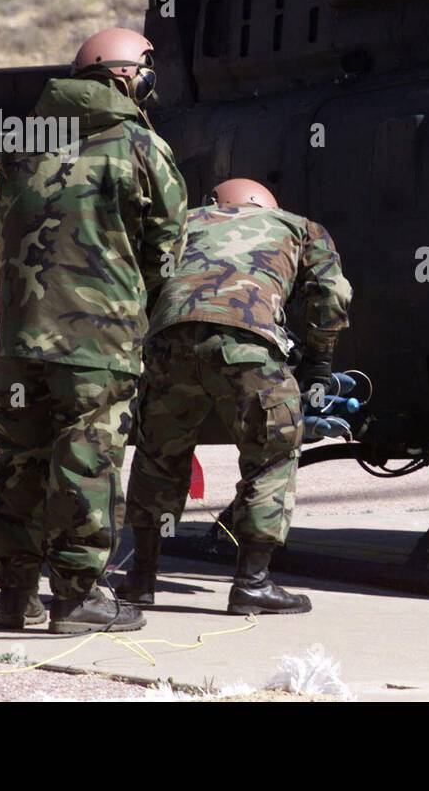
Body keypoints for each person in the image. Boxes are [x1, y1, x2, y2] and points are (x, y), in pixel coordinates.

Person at [0, 27, 187, 634]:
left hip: (21, 340)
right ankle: (77, 598)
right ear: (129, 77)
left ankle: (16, 595)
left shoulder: (23, 143)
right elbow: (165, 252)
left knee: (20, 459)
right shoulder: (141, 145)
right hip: (97, 342)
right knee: (87, 460)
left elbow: (5, 232)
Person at [120, 178, 351, 615]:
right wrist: (319, 360)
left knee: (158, 455)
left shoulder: (182, 222)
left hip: (169, 342)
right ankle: (253, 583)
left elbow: (142, 279)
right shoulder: (299, 227)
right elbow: (332, 293)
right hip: (248, 344)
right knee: (273, 454)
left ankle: (141, 579)